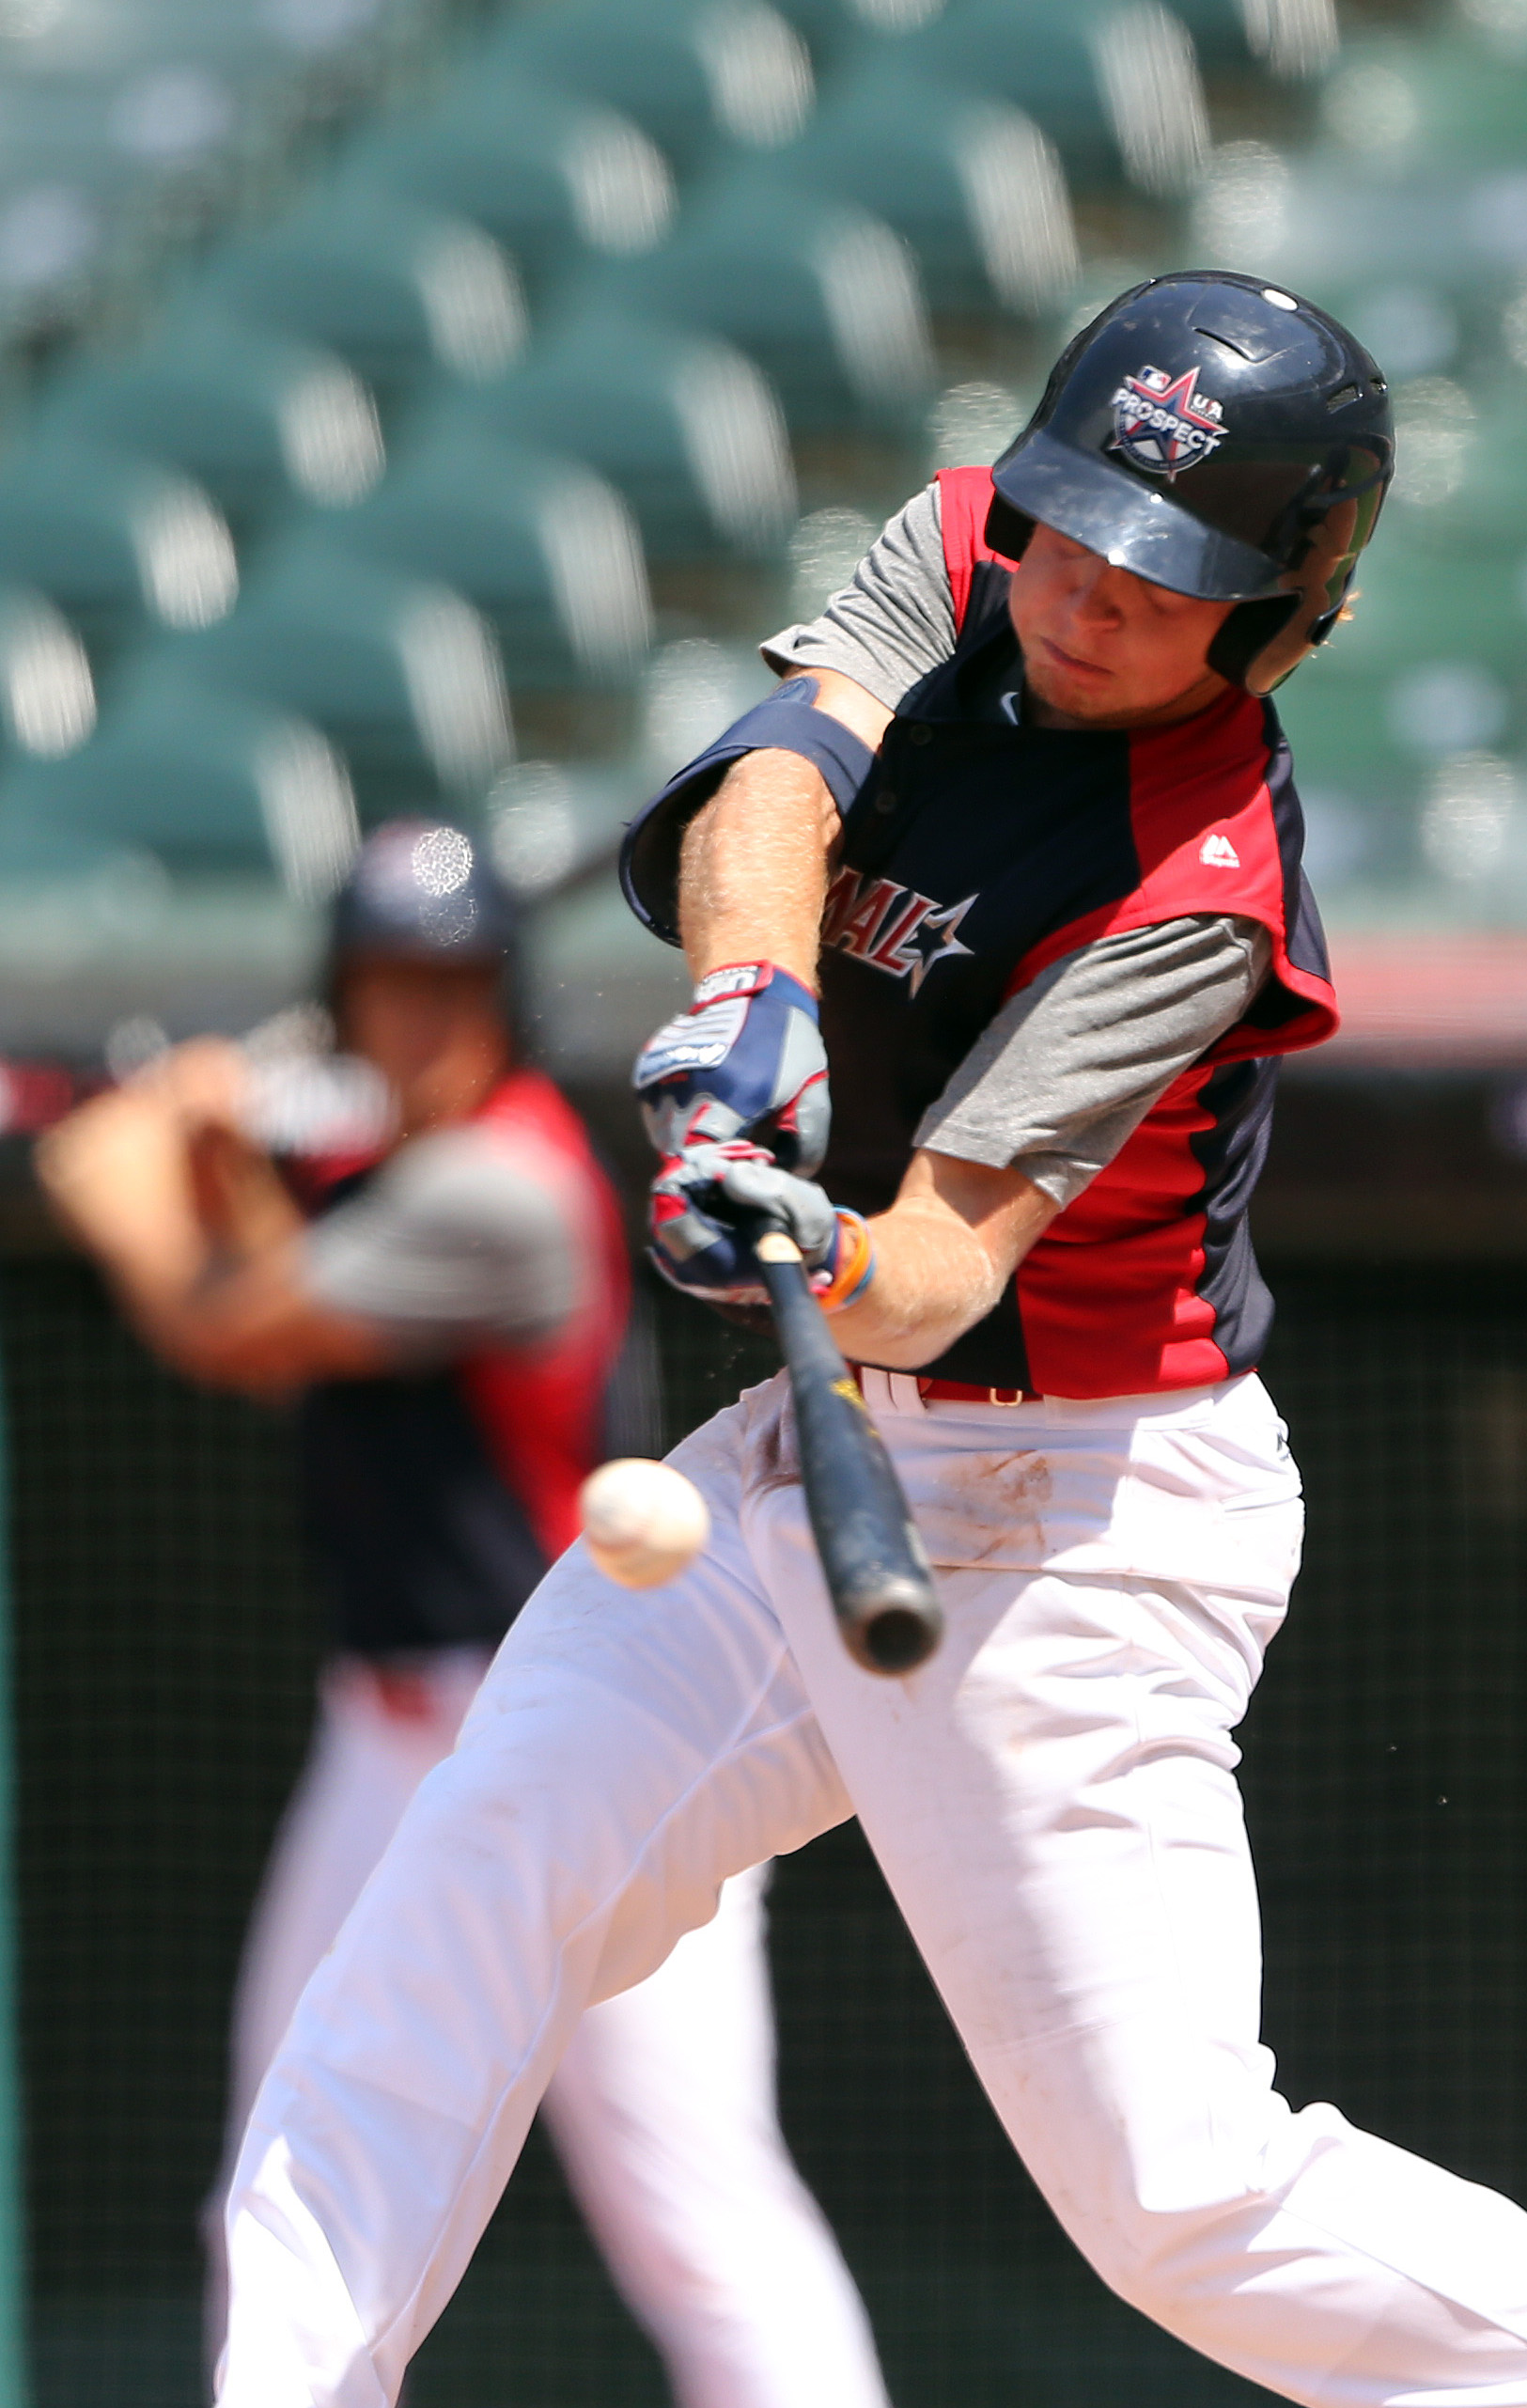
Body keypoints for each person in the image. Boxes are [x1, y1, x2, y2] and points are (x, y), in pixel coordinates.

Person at [201, 274, 1527, 2408]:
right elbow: (785, 764)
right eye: (1075, 532)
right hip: (820, 1469)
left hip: (1077, 1522)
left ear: (1284, 618)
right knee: (451, 1914)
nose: (1087, 593)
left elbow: (941, 1266)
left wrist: (793, 1231)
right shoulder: (975, 543)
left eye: (1168, 577)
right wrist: (748, 1004)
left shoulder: (1197, 889)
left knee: (1177, 2197)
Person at [33, 819, 889, 2408]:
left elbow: (247, 1329)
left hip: (585, 1750)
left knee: (698, 2215)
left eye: (444, 988)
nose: (412, 1022)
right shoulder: (404, 1164)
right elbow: (293, 1244)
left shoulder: (499, 1185)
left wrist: (133, 1193)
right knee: (282, 2185)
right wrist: (216, 1150)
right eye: (380, 987)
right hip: (383, 1746)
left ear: (500, 1002)